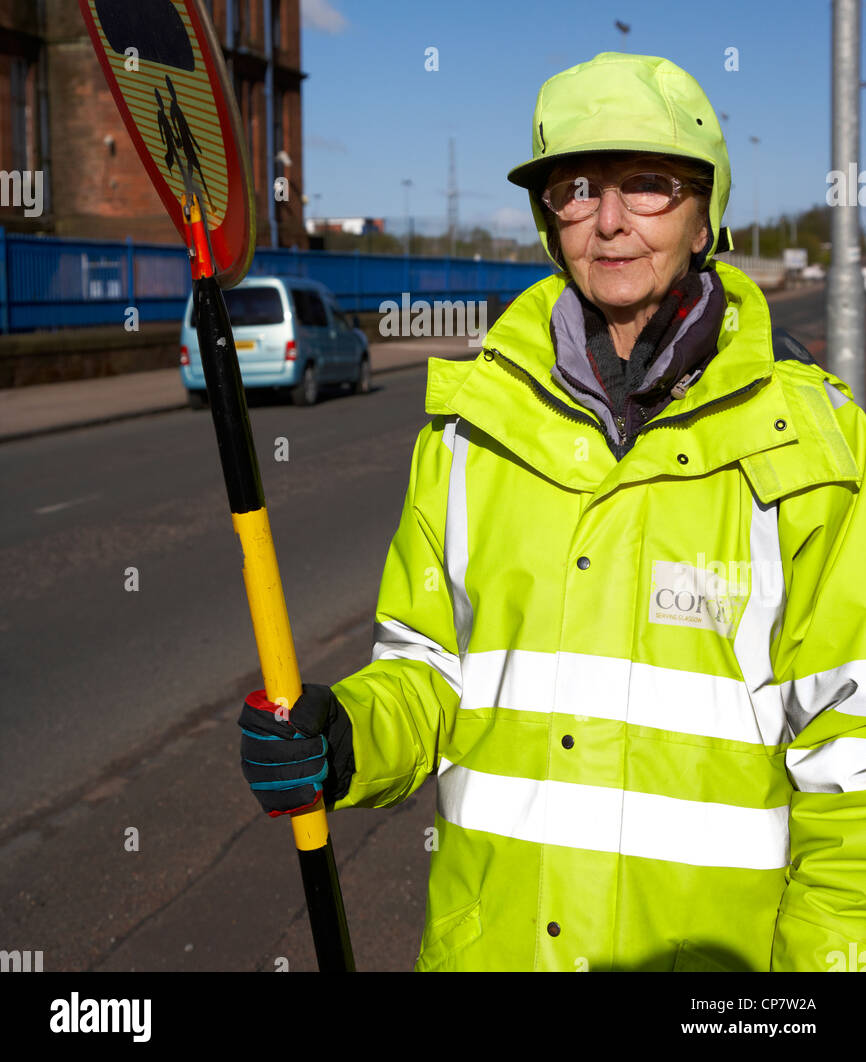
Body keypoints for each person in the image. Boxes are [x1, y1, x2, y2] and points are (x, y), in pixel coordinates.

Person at [238, 51, 866, 973]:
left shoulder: (812, 446)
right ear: (549, 220)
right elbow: (429, 671)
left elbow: (850, 772)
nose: (609, 220)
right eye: (576, 188)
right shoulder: (467, 434)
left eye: (648, 186)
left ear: (706, 216)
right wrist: (347, 738)